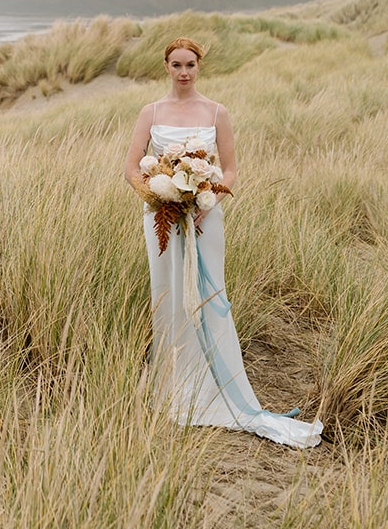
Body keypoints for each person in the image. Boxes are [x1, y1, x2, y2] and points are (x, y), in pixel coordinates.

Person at [123, 37, 322, 449]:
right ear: (166, 67)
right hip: (160, 216)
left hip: (205, 215)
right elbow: (131, 167)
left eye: (190, 65)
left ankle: (214, 388)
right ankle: (172, 387)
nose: (183, 72)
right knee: (167, 294)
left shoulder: (217, 112)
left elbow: (229, 171)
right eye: (176, 65)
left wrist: (205, 202)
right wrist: (158, 196)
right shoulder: (150, 112)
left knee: (208, 293)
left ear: (199, 67)